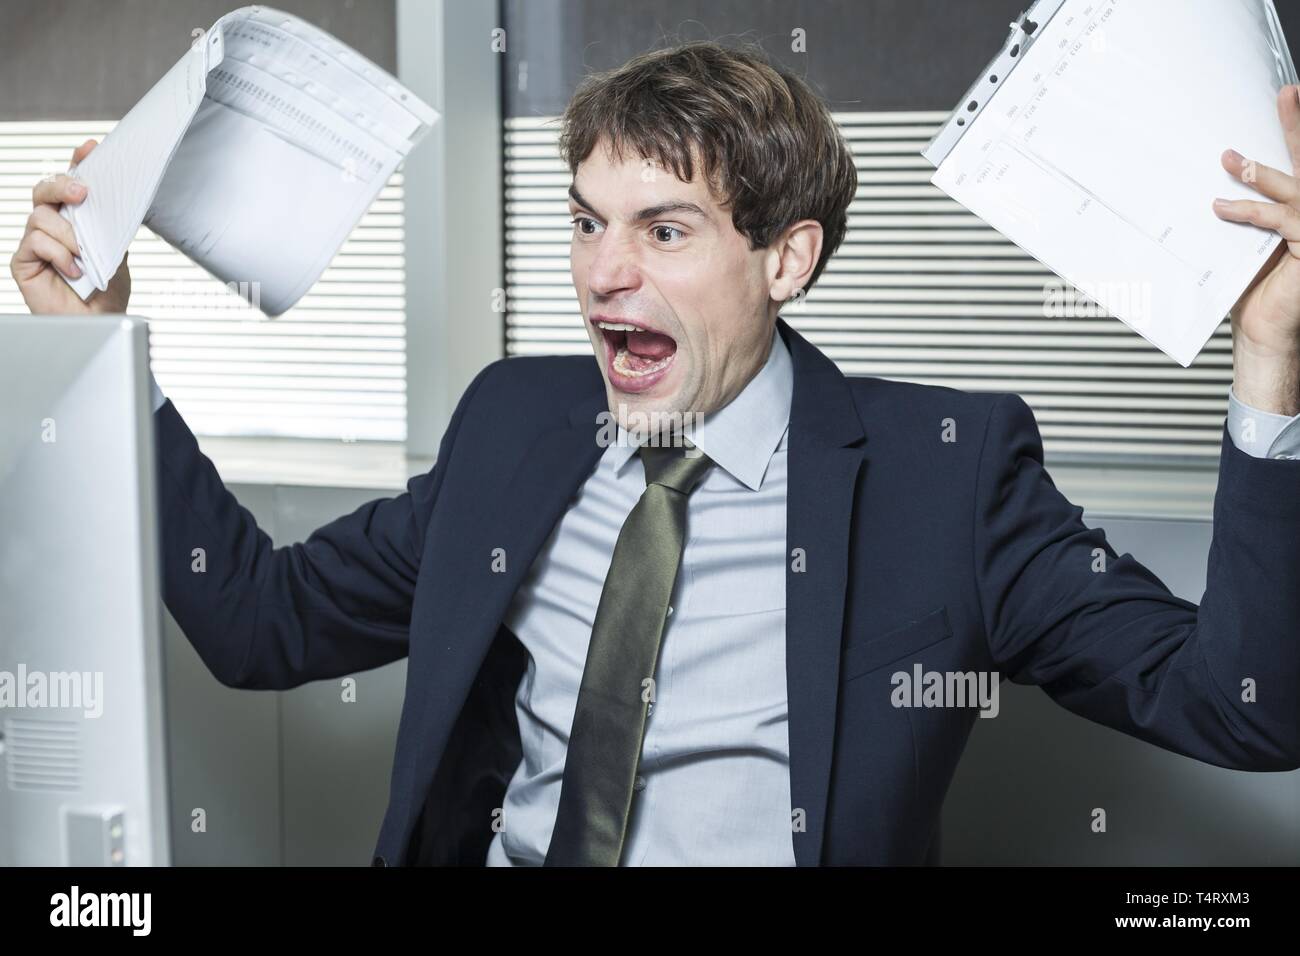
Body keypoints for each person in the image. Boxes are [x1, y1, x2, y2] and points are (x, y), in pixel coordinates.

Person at [12, 41, 1300, 866]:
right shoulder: (514, 423)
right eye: (587, 222)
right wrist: (107, 362)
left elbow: (1239, 710)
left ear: (785, 259)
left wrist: (1269, 367)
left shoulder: (944, 474)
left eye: (665, 231)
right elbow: (263, 627)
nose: (602, 275)